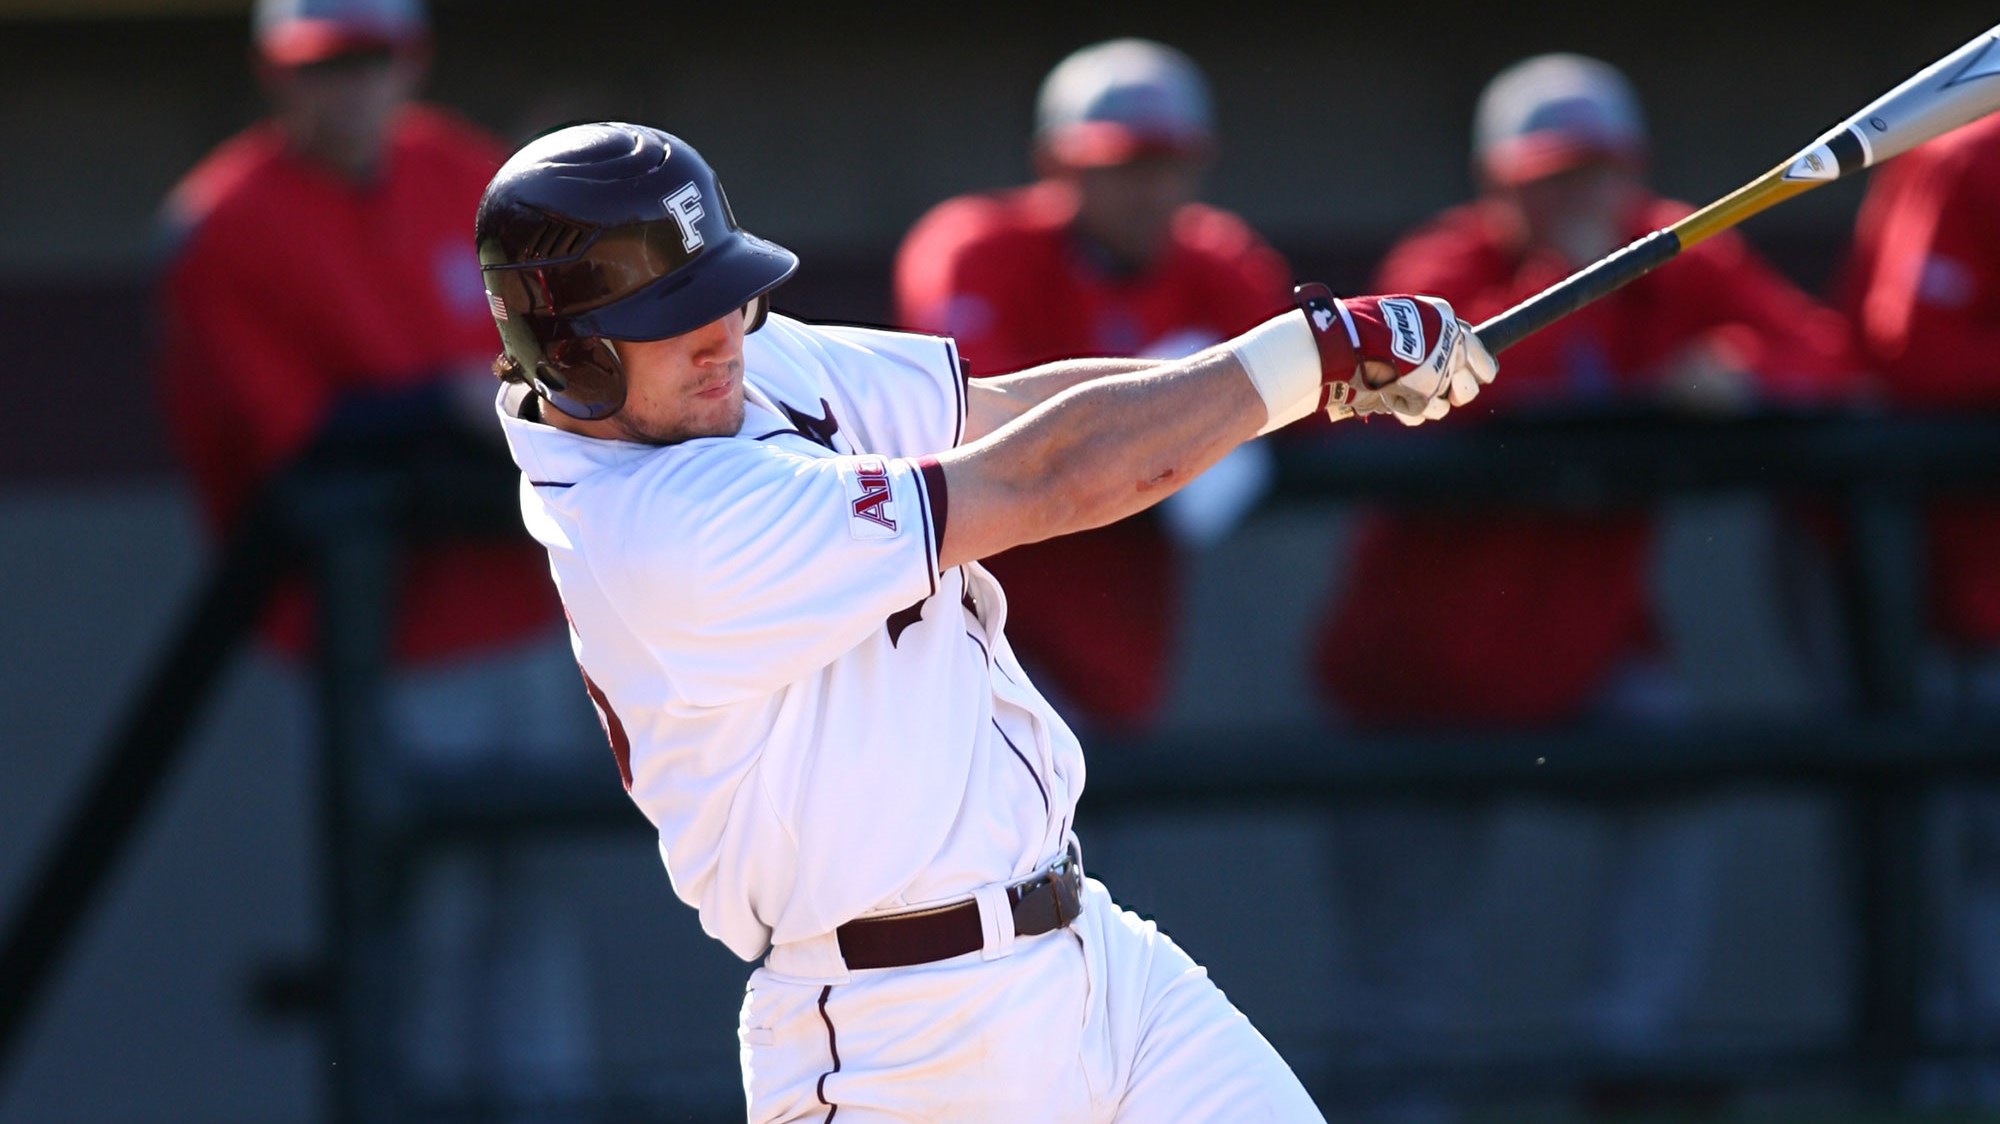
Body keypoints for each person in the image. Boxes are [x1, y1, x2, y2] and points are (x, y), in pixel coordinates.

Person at [476, 121, 1494, 1122]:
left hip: (1093, 959)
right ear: (567, 349)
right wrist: (1300, 357)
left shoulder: (731, 362)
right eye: (673, 311)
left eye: (724, 292)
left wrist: (1280, 384)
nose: (721, 331)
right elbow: (1037, 477)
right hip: (899, 1042)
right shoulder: (655, 529)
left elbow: (1005, 414)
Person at [1308, 54, 1859, 1064]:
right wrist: (1625, 362)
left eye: (1594, 169)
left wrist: (1738, 367)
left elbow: (1826, 355)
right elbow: (1401, 399)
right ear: (1497, 183)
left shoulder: (1674, 248)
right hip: (1419, 669)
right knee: (1401, 970)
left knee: (1675, 775)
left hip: (1584, 651)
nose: (1575, 195)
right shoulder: (1445, 266)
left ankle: (1626, 1055)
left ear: (1631, 170)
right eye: (1546, 175)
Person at [153, 0, 596, 1112]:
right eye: (320, 67)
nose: (345, 89)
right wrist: (437, 402)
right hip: (386, 637)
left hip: (526, 607)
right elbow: (291, 435)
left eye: (366, 62)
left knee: (534, 896)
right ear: (274, 74)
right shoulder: (224, 220)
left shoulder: (460, 170)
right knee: (419, 922)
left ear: (409, 62)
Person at [894, 39, 1293, 731]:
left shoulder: (1220, 261)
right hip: (968, 612)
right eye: (1119, 165)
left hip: (1116, 629)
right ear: (1055, 162)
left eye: (1166, 164)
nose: (1148, 190)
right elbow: (970, 408)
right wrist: (1180, 395)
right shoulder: (978, 246)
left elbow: (1321, 399)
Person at [1842, 109, 2000, 1101]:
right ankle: (1945, 1075)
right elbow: (1904, 351)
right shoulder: (1966, 157)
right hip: (1929, 569)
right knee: (1947, 828)